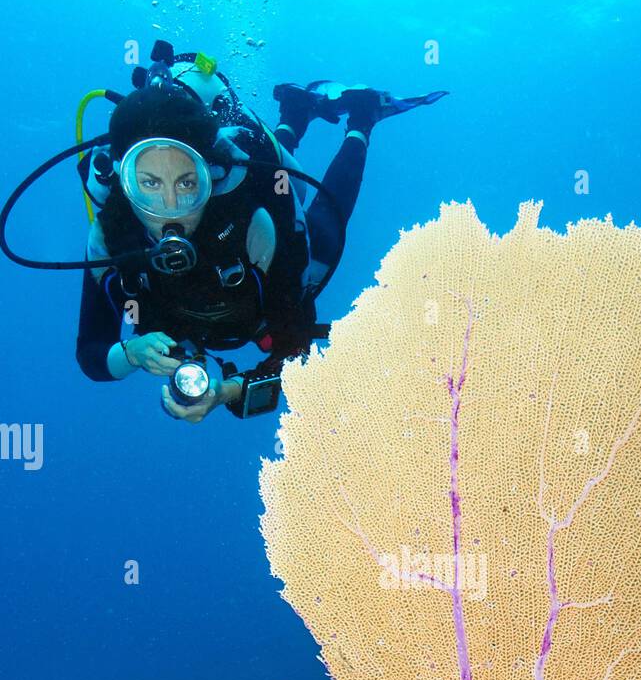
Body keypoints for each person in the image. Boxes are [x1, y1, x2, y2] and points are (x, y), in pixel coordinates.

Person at [74, 48, 445, 422]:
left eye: (188, 184)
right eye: (149, 184)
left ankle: (362, 119)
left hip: (262, 276)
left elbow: (295, 347)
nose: (172, 208)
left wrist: (226, 393)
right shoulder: (112, 238)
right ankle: (295, 112)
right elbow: (91, 352)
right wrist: (131, 354)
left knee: (326, 234)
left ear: (211, 176)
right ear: (123, 181)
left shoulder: (252, 225)